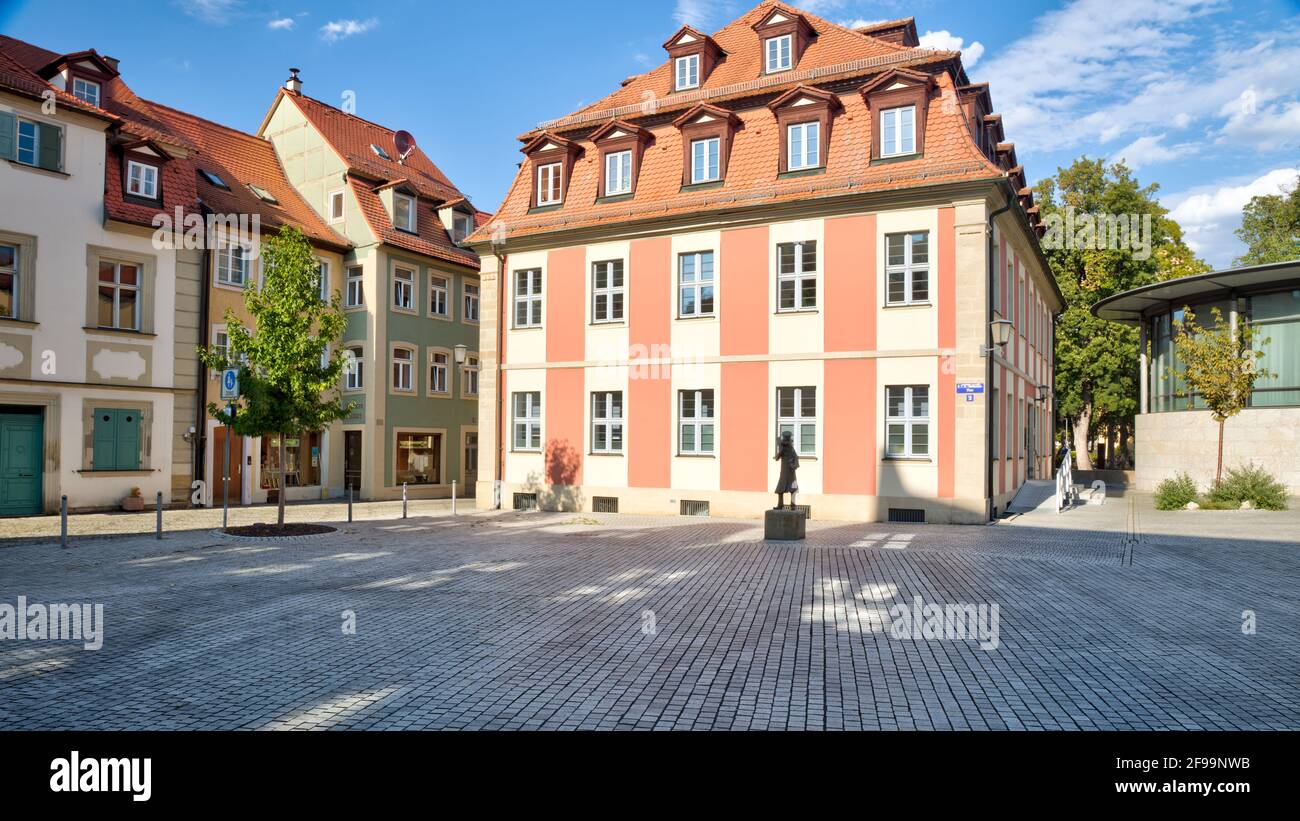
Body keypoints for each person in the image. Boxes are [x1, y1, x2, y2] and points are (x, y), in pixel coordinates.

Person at [773, 430, 800, 510]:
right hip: (784, 472)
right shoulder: (783, 448)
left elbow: (796, 459)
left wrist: (794, 465)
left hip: (790, 472)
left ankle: (793, 505)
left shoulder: (791, 449)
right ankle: (780, 505)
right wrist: (781, 451)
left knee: (793, 489)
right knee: (780, 489)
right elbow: (777, 458)